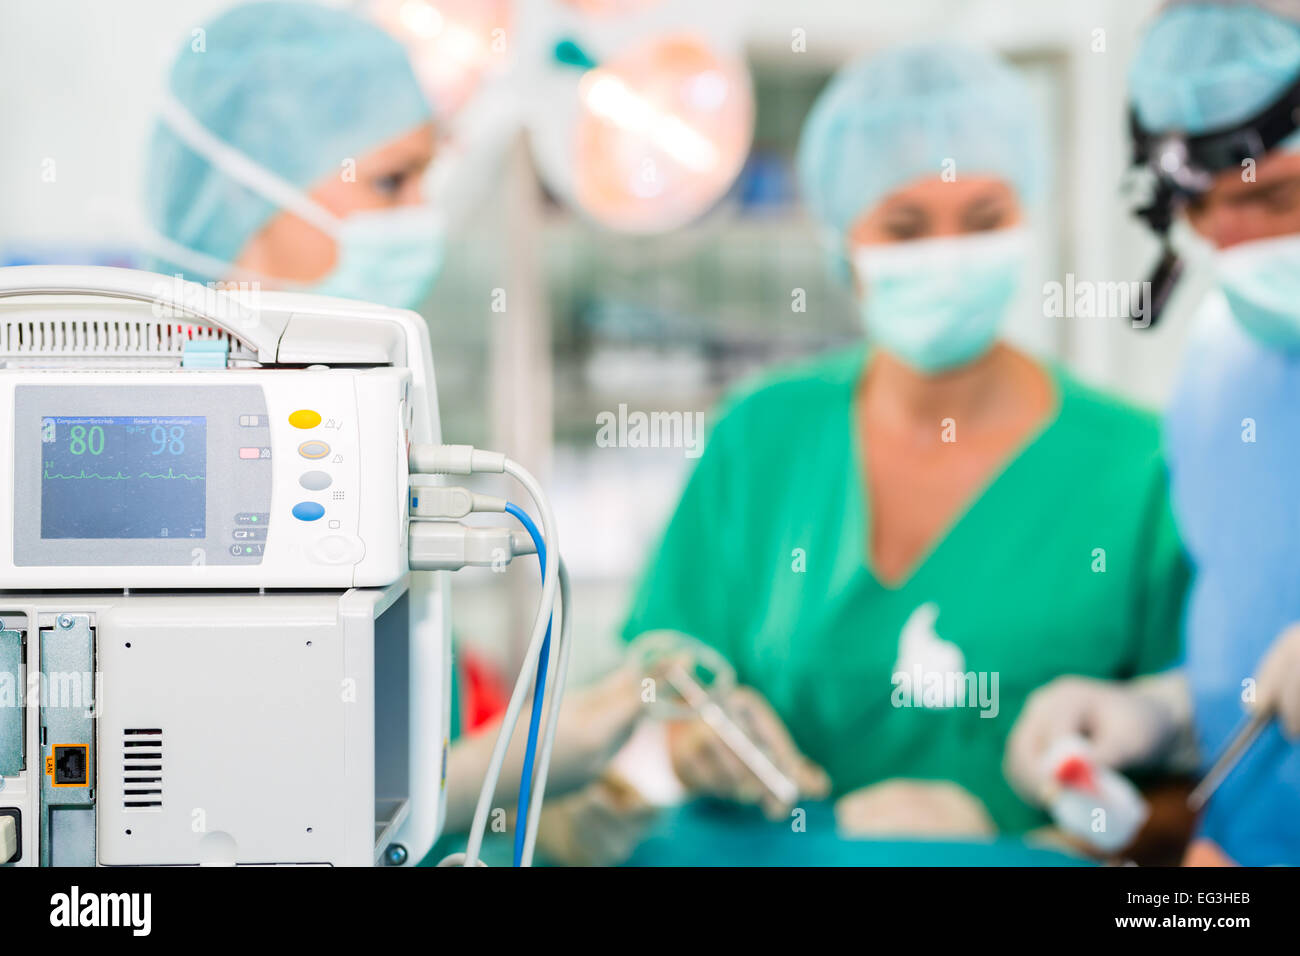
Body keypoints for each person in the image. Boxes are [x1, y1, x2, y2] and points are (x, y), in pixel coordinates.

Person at [620, 44, 1189, 841]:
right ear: (842, 244)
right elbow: (647, 689)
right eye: (906, 225)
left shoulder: (1137, 467)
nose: (948, 252)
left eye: (984, 219)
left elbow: (1211, 782)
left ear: (1028, 216)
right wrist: (688, 746)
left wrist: (1053, 845)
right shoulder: (764, 439)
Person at [144, 1, 646, 864]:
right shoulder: (152, 444)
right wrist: (464, 784)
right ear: (247, 194)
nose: (423, 215)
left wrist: (521, 796)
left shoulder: (347, 413)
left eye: (426, 180)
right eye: (390, 182)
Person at [1006, 0, 1300, 867]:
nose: (1234, 241)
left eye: (1276, 197)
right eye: (1199, 210)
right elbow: (1257, 647)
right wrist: (1164, 718)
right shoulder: (1223, 369)